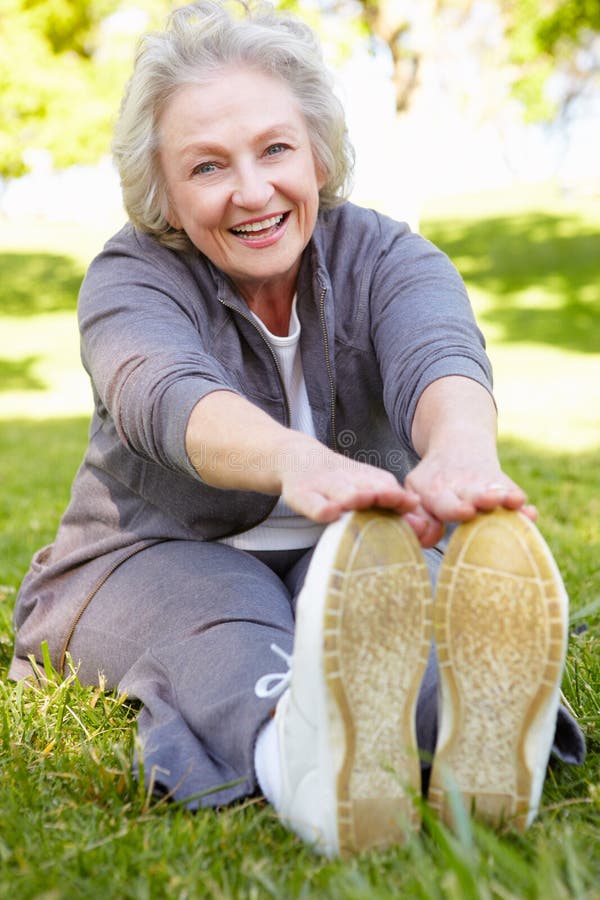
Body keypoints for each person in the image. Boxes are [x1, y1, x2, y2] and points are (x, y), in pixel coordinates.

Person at [10, 0, 585, 858]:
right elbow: (162, 394)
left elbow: (438, 351)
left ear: (318, 151)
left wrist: (462, 458)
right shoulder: (130, 277)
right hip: (159, 554)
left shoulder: (388, 254)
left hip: (362, 545)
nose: (252, 191)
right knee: (232, 631)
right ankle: (299, 766)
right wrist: (296, 462)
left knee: (407, 627)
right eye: (208, 166)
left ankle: (474, 736)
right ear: (164, 191)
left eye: (275, 149)